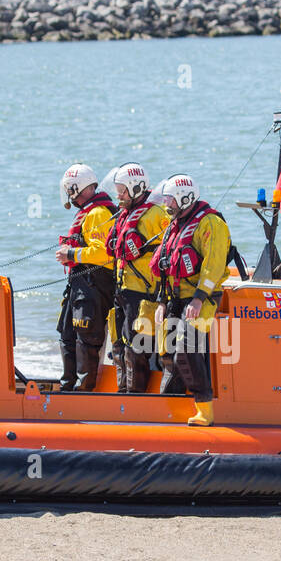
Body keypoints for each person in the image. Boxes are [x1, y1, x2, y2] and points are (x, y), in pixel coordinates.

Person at [152, 174, 231, 427]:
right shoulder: (175, 224)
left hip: (202, 298)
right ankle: (170, 406)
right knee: (169, 354)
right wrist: (162, 301)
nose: (167, 205)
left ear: (186, 198)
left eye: (171, 200)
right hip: (176, 297)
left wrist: (198, 299)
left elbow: (214, 266)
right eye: (166, 199)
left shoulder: (210, 224)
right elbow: (166, 265)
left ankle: (205, 408)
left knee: (187, 350)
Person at [104, 163, 168, 393]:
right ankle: (122, 392)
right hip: (122, 288)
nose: (118, 195)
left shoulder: (157, 215)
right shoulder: (124, 215)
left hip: (142, 290)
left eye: (122, 191)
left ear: (138, 188)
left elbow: (169, 249)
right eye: (118, 190)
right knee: (119, 343)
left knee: (136, 347)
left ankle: (135, 396)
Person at [56, 163, 117, 391]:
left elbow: (104, 254)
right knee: (66, 334)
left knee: (87, 339)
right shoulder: (89, 212)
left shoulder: (99, 213)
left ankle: (83, 391)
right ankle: (67, 385)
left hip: (94, 286)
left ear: (75, 189)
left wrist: (71, 253)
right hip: (79, 285)